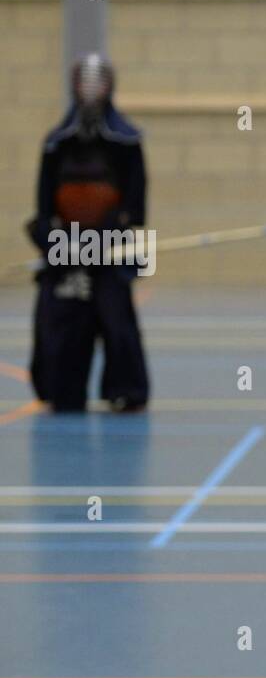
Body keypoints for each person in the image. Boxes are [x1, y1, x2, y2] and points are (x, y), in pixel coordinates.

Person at [27, 54, 149, 413]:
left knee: (117, 319)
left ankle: (125, 389)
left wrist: (119, 235)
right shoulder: (57, 143)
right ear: (74, 86)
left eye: (99, 82)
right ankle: (60, 389)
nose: (92, 90)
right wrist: (49, 240)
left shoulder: (126, 142)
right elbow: (45, 202)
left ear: (110, 86)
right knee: (62, 319)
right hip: (67, 247)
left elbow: (136, 203)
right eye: (85, 82)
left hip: (111, 246)